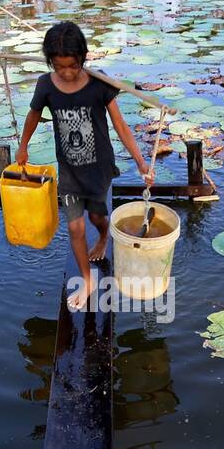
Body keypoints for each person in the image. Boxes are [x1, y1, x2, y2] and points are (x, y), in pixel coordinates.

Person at [16, 21, 154, 312]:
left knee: (95, 219)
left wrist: (141, 162)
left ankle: (104, 237)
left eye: (73, 65)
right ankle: (88, 280)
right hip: (69, 171)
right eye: (59, 66)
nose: (66, 72)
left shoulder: (99, 83)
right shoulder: (45, 85)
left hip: (99, 169)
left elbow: (119, 124)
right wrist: (23, 145)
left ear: (83, 58)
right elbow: (33, 114)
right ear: (50, 62)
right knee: (76, 228)